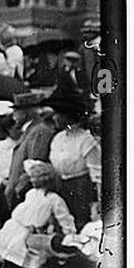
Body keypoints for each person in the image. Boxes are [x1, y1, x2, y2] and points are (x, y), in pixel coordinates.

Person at [0, 159, 76, 268]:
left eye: (33, 178)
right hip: (20, 231)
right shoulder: (38, 195)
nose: (31, 181)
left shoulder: (48, 198)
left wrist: (69, 233)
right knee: (43, 246)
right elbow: (65, 220)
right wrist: (70, 234)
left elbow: (64, 219)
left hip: (14, 230)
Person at [47, 87, 101, 227]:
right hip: (60, 188)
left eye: (58, 114)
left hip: (81, 191)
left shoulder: (85, 140)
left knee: (80, 225)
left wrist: (100, 204)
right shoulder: (58, 138)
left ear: (68, 116)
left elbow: (97, 175)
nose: (54, 118)